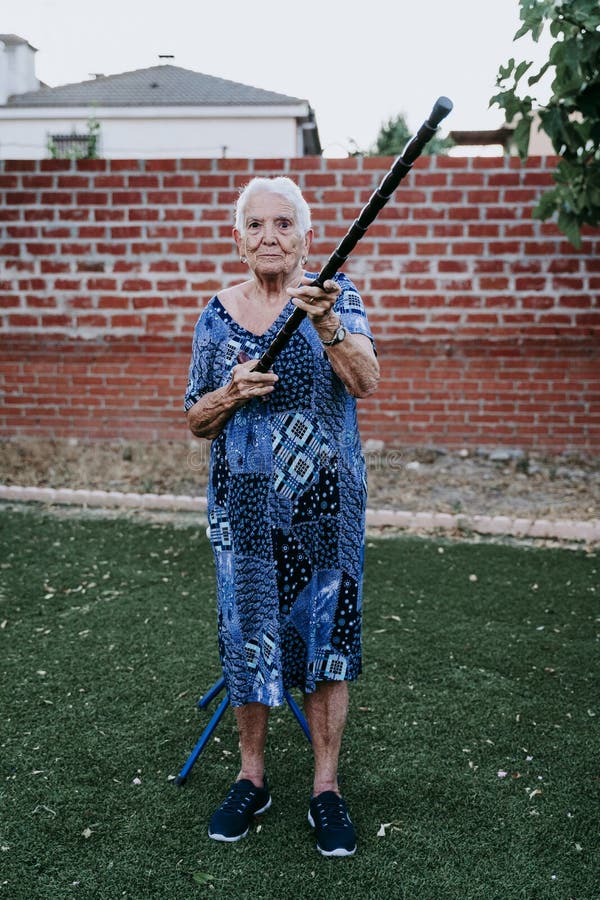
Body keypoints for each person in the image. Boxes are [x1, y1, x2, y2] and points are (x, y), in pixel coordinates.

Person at [184, 175, 379, 858]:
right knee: (249, 636)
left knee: (327, 642)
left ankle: (325, 787)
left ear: (304, 234)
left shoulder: (337, 297)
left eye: (284, 224)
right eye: (257, 225)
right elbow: (194, 419)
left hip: (329, 504)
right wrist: (229, 392)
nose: (271, 236)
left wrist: (325, 324)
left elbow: (365, 381)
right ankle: (252, 776)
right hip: (243, 506)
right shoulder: (217, 314)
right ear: (239, 238)